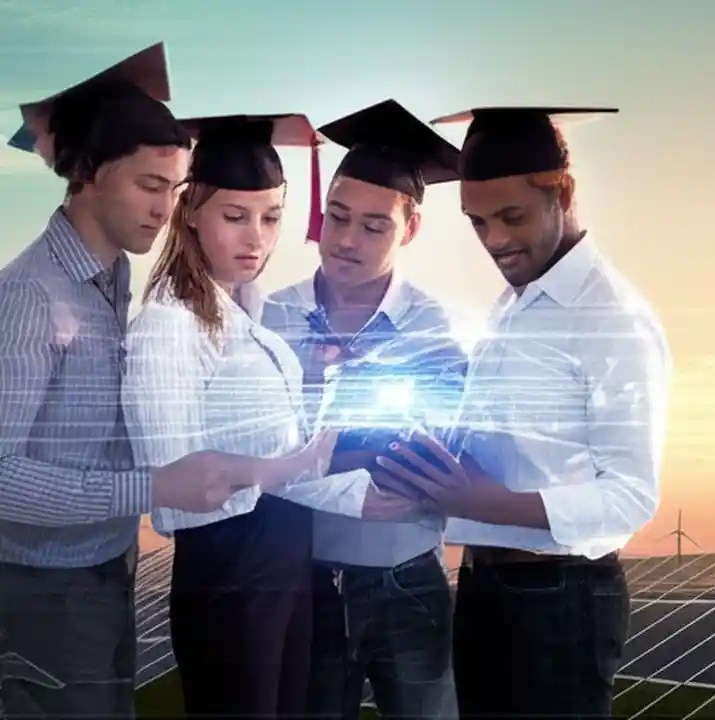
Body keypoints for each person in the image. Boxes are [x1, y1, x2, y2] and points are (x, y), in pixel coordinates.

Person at [0, 43, 319, 719]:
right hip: (42, 587)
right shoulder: (32, 295)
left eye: (173, 189)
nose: (164, 208)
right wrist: (156, 486)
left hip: (103, 568)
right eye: (150, 185)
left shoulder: (109, 277)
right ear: (86, 172)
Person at [120, 113, 427, 719]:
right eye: (234, 216)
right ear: (189, 211)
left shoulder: (247, 317)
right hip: (228, 573)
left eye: (271, 216)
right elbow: (175, 492)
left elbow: (286, 466)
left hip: (286, 564)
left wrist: (355, 496)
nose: (255, 238)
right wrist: (297, 461)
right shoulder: (167, 327)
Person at [377, 106, 672, 718]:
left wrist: (485, 503)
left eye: (512, 216)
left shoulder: (610, 318)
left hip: (560, 602)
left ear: (562, 193)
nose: (494, 240)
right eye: (476, 222)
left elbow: (629, 496)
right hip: (487, 591)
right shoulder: (512, 307)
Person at [261, 98, 468, 720]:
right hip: (303, 580)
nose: (346, 240)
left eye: (374, 225)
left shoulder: (431, 328)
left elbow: (425, 459)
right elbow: (251, 450)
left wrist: (312, 448)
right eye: (337, 216)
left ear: (410, 229)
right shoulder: (271, 317)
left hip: (406, 577)